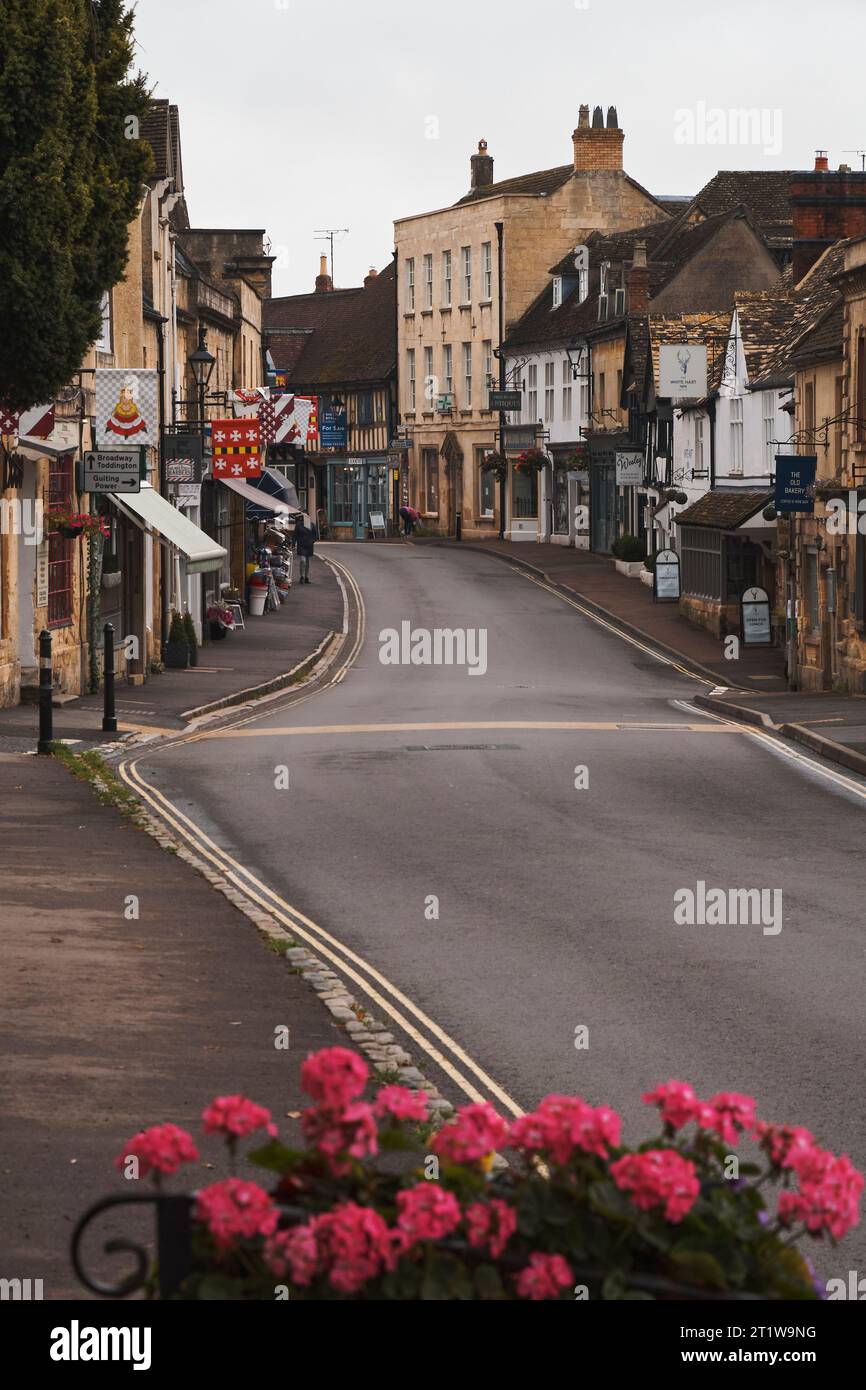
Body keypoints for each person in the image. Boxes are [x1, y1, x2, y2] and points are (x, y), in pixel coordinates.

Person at [294, 513, 318, 583]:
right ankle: (302, 576)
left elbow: (316, 535)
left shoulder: (312, 525)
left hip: (309, 546)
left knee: (307, 562)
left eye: (306, 516)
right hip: (301, 545)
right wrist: (293, 543)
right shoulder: (299, 525)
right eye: (304, 517)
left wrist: (312, 541)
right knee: (303, 560)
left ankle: (306, 577)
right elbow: (295, 535)